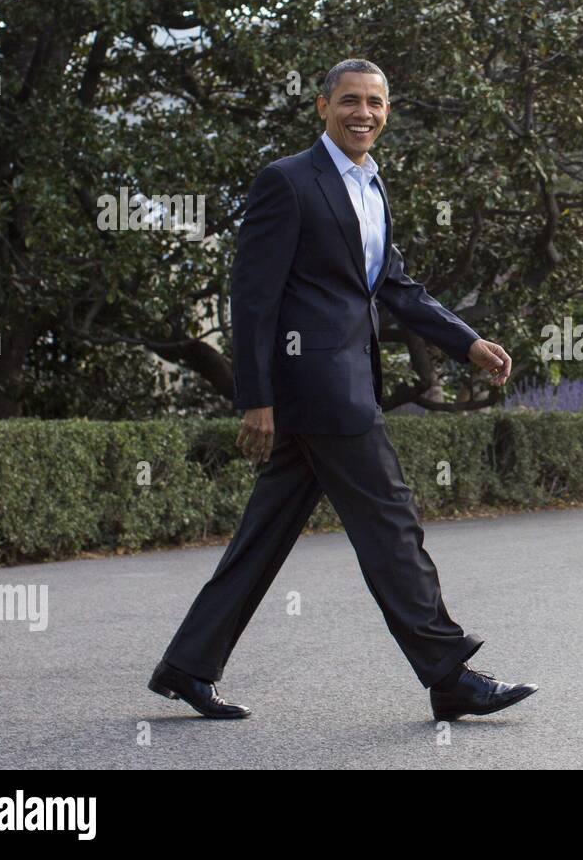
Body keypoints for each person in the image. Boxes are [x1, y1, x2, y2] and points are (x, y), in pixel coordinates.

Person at [148, 59, 537, 722]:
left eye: (376, 103)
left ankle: (188, 666)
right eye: (351, 101)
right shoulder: (288, 182)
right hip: (324, 389)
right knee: (392, 526)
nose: (364, 113)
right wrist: (256, 397)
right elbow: (254, 295)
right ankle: (448, 674)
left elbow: (394, 287)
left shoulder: (374, 187)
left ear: (387, 112)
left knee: (264, 535)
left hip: (337, 387)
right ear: (323, 107)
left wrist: (466, 341)